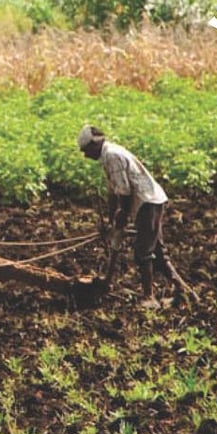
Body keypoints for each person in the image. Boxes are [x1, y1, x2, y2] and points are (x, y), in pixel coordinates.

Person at [78, 125, 196, 309]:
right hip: (149, 202)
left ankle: (149, 297)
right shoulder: (109, 155)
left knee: (143, 253)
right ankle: (185, 293)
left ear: (95, 145)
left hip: (147, 203)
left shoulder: (112, 156)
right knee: (158, 253)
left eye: (86, 151)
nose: (85, 156)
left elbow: (124, 192)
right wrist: (112, 219)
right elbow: (114, 192)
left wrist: (122, 215)